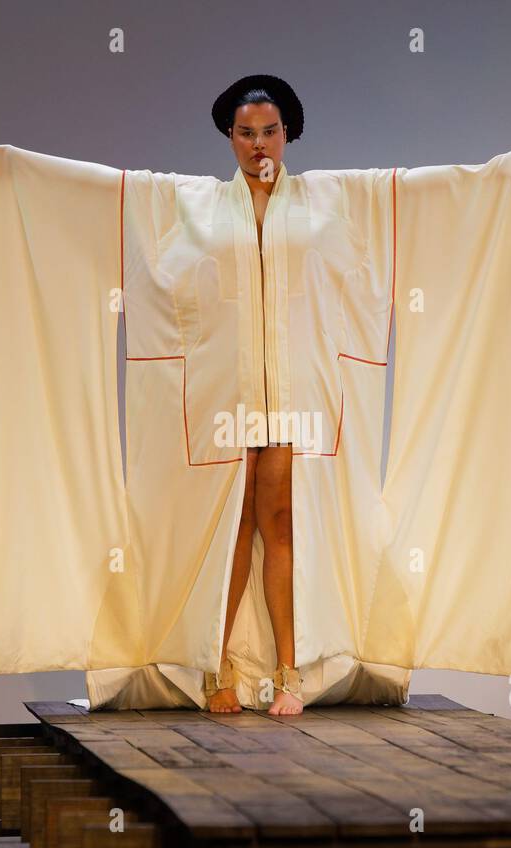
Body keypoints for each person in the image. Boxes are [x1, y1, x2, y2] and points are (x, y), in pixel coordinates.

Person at [205, 75, 305, 716]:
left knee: (281, 524)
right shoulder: (203, 206)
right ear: (230, 137)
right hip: (233, 386)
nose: (259, 143)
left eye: (270, 130)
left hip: (293, 386)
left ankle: (290, 671)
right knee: (233, 527)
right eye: (246, 132)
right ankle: (218, 668)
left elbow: (408, 197)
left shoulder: (320, 204)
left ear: (288, 132)